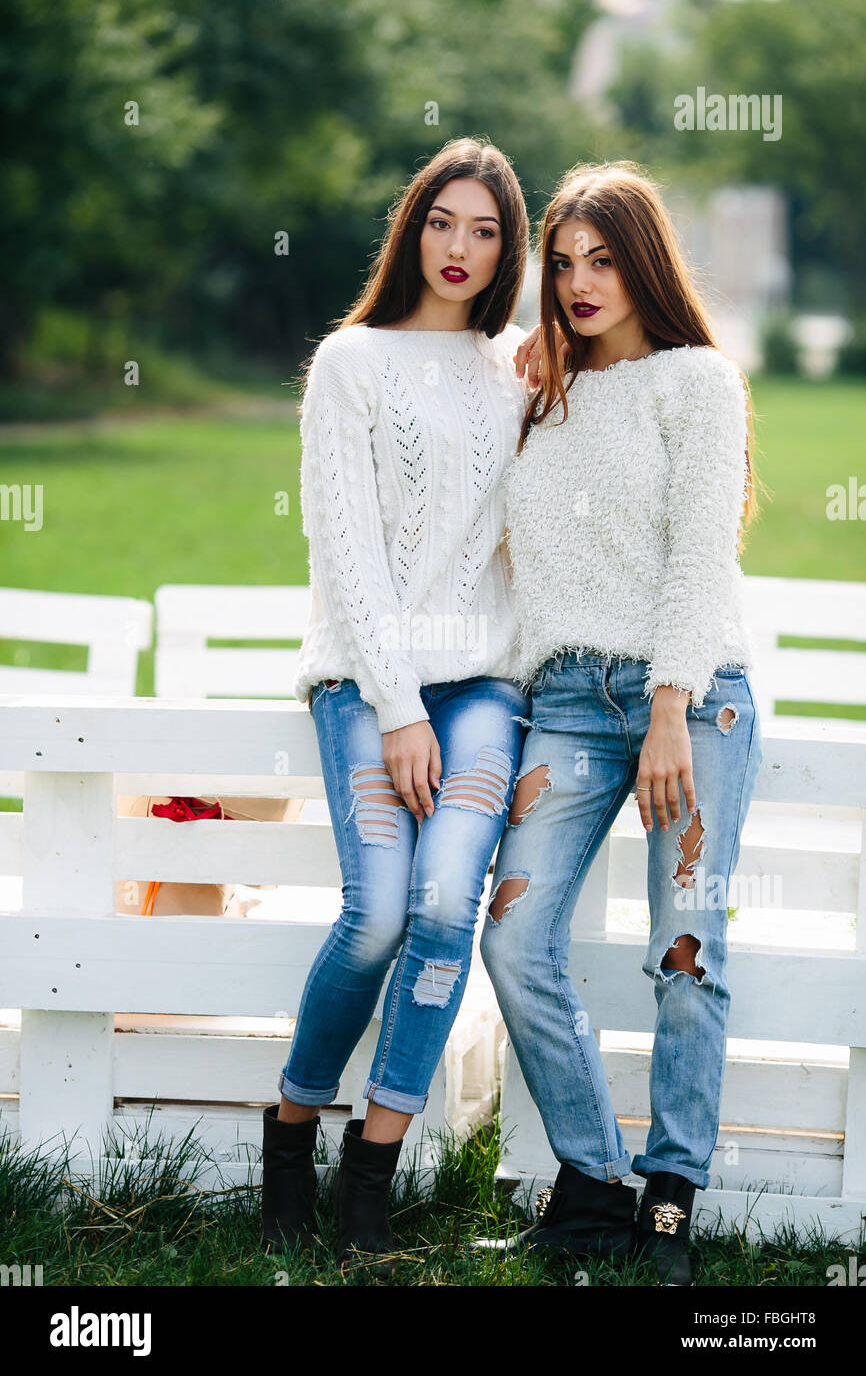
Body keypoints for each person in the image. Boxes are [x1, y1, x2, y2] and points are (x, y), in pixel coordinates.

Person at [476, 160, 765, 1286]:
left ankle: (669, 1199)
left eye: (602, 258)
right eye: (561, 262)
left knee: (682, 953)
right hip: (561, 701)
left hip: (689, 700)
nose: (579, 280)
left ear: (642, 263)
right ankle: (592, 1181)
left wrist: (666, 712)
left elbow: (700, 554)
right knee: (511, 934)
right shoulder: (538, 388)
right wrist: (524, 373)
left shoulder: (697, 382)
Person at [261, 137, 533, 1267]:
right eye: (441, 222)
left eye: (484, 230)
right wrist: (397, 702)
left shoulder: (521, 365)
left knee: (440, 908)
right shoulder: (350, 362)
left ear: (505, 247)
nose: (459, 248)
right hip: (372, 681)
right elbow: (347, 549)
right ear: (410, 227)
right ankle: (289, 1130)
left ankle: (370, 1171)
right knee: (374, 913)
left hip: (488, 684)